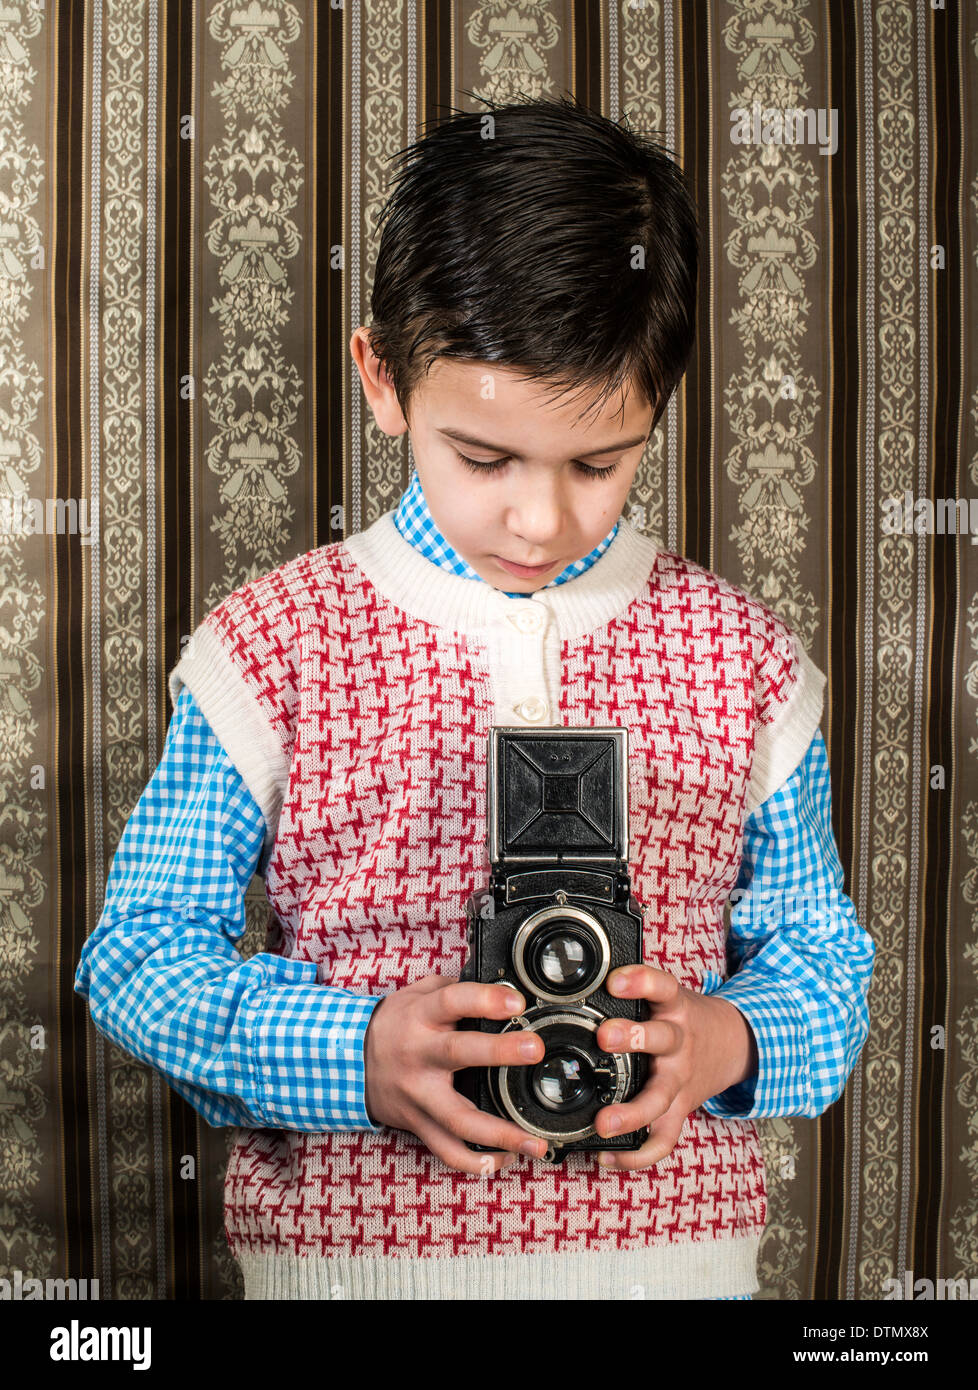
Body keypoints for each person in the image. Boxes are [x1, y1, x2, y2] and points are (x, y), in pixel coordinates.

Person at [74, 93, 875, 1300]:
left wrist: (729, 1039)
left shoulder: (744, 659)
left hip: (681, 1274)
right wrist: (350, 1054)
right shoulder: (274, 645)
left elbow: (825, 962)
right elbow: (139, 954)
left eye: (600, 463)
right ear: (383, 378)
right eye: (485, 458)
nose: (541, 519)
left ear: (661, 403)